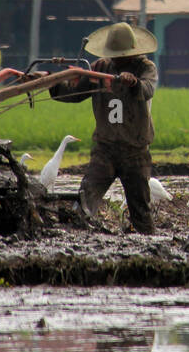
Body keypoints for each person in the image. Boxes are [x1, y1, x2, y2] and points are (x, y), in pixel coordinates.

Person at [50, 22, 159, 234]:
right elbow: (75, 94)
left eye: (122, 55)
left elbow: (146, 89)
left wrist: (133, 83)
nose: (118, 59)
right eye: (114, 54)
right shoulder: (100, 68)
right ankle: (74, 239)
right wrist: (51, 84)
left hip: (135, 151)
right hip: (105, 149)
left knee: (141, 211)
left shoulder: (146, 68)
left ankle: (150, 245)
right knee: (85, 199)